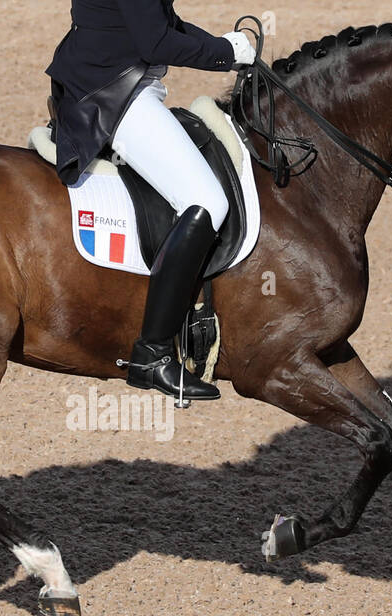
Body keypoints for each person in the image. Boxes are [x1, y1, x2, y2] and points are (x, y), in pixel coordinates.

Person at [46, 1, 255, 400]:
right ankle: (153, 354)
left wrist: (222, 47)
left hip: (110, 79)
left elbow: (163, 23)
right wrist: (224, 55)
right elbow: (157, 41)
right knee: (207, 200)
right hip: (113, 95)